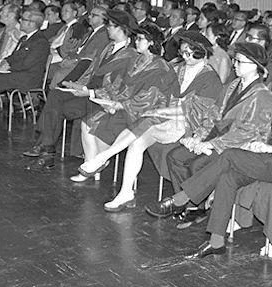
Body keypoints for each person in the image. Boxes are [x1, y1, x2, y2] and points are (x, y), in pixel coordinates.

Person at [153, 48, 272, 260]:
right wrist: (259, 144)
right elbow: (266, 131)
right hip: (269, 159)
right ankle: (216, 240)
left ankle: (181, 199)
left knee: (231, 156)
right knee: (227, 178)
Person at [75, 32, 223, 211]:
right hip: (164, 119)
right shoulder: (177, 69)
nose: (187, 58)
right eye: (184, 53)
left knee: (148, 117)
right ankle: (125, 193)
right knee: (137, 141)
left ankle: (102, 157)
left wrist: (162, 110)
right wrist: (159, 108)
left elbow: (198, 111)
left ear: (204, 54)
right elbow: (161, 94)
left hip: (189, 125)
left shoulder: (211, 78)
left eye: (193, 54)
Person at [146, 43, 272, 226]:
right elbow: (214, 114)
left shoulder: (263, 96)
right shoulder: (233, 86)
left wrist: (211, 144)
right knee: (175, 157)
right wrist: (199, 136)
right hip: (216, 137)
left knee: (198, 164)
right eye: (234, 60)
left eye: (239, 61)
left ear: (255, 66)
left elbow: (247, 134)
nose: (234, 64)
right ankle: (193, 207)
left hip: (237, 148)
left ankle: (192, 204)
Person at [22, 10, 139, 168]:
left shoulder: (130, 55)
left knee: (59, 108)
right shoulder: (109, 47)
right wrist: (79, 85)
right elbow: (92, 71)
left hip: (105, 101)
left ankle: (47, 149)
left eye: (110, 26)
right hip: (89, 92)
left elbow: (119, 87)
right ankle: (47, 148)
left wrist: (89, 91)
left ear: (121, 29)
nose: (107, 29)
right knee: (56, 95)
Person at [71, 26, 176, 182]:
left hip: (145, 112)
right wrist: (106, 99)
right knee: (87, 122)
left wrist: (120, 106)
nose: (136, 41)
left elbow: (150, 98)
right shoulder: (136, 60)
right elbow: (118, 85)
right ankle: (92, 165)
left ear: (151, 43)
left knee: (105, 125)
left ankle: (95, 164)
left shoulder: (161, 67)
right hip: (124, 106)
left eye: (140, 39)